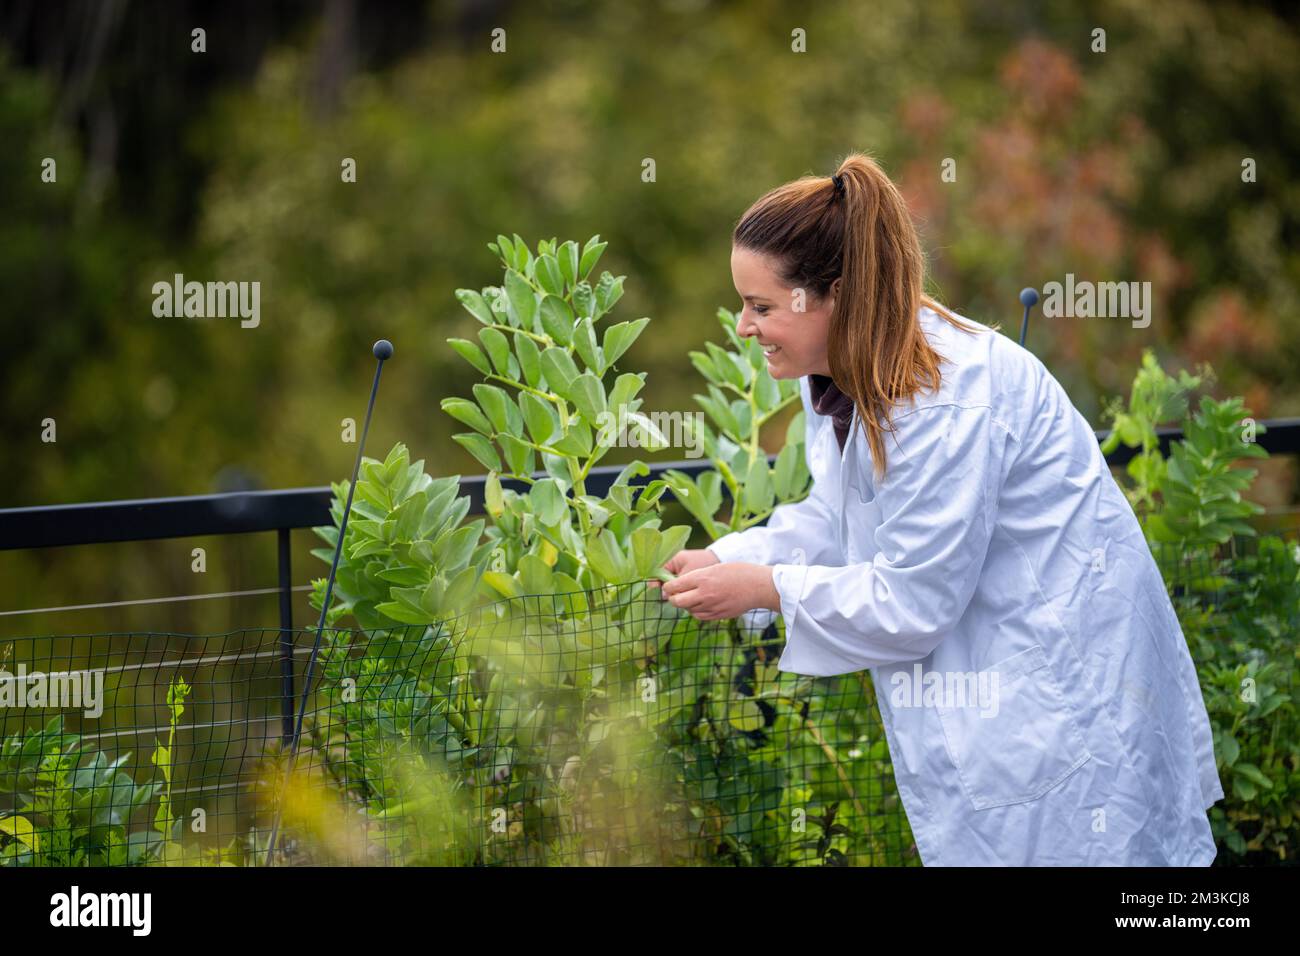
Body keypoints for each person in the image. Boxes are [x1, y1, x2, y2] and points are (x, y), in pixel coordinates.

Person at [657, 153, 1223, 866]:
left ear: (831, 296)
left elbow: (913, 599)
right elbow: (838, 520)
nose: (743, 326)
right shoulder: (838, 377)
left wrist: (767, 587)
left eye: (761, 306)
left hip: (1062, 689)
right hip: (998, 689)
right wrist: (732, 559)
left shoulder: (946, 401)